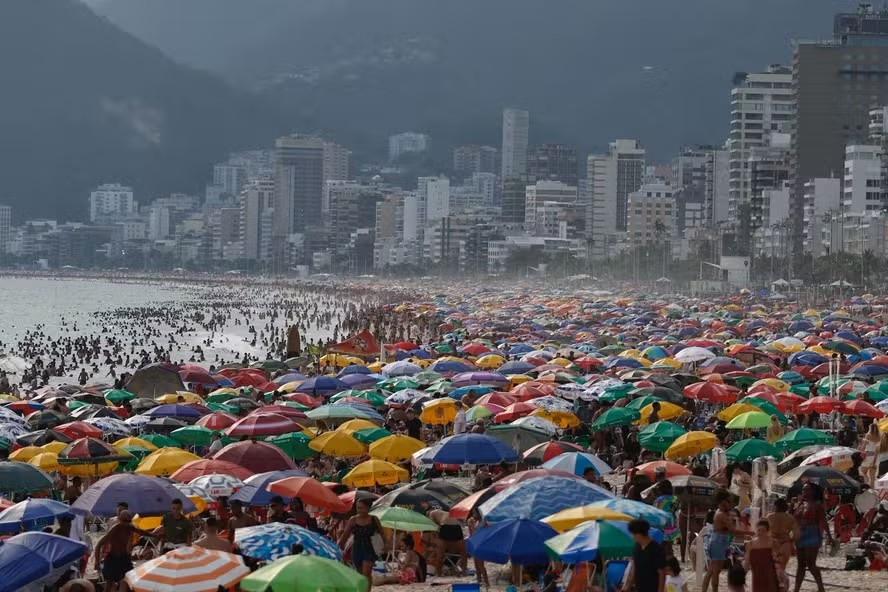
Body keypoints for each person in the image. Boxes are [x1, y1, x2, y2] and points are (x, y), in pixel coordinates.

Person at [702, 490, 752, 592]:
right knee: (715, 571)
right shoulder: (721, 515)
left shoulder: (720, 512)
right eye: (728, 501)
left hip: (718, 541)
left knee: (712, 570)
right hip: (718, 542)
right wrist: (750, 533)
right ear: (723, 501)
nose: (729, 503)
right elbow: (733, 531)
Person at [94, 511, 155, 592]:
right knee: (109, 583)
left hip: (124, 558)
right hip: (113, 558)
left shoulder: (129, 527)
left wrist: (154, 535)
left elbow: (140, 531)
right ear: (120, 520)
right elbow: (99, 545)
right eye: (125, 521)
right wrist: (97, 561)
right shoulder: (115, 529)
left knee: (129, 580)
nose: (126, 524)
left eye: (128, 521)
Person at [793, 483, 833, 592]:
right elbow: (793, 520)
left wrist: (829, 536)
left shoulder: (817, 504)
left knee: (811, 564)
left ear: (813, 491)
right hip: (800, 534)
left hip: (812, 533)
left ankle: (821, 587)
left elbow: (823, 521)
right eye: (803, 490)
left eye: (807, 490)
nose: (804, 492)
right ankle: (796, 589)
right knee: (800, 564)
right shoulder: (800, 504)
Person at [338, 498, 384, 592]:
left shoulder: (374, 519)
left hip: (370, 547)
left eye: (362, 508)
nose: (359, 510)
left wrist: (386, 544)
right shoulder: (353, 519)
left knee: (367, 572)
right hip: (357, 548)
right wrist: (339, 545)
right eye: (358, 508)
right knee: (359, 574)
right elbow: (346, 533)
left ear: (368, 508)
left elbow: (382, 533)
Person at [623, 519, 666, 592]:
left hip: (653, 588)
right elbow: (635, 568)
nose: (632, 537)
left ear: (639, 534)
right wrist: (628, 587)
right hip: (639, 588)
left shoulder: (656, 549)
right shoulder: (637, 547)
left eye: (633, 534)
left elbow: (661, 573)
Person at [744, 520, 780, 592]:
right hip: (757, 575)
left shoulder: (773, 543)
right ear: (756, 530)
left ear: (768, 531)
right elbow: (747, 561)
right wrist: (743, 574)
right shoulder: (750, 544)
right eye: (759, 530)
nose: (760, 533)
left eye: (763, 530)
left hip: (770, 575)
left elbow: (777, 559)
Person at [765, 498, 797, 570]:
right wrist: (792, 544)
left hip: (772, 543)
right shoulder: (790, 518)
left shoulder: (770, 517)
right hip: (785, 544)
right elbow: (796, 534)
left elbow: (764, 531)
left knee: (771, 568)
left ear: (776, 506)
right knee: (782, 569)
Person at [653, 480, 680, 557]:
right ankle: (670, 558)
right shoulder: (675, 498)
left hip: (661, 522)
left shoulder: (658, 500)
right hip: (671, 522)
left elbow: (655, 511)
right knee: (669, 544)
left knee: (662, 544)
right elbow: (677, 509)